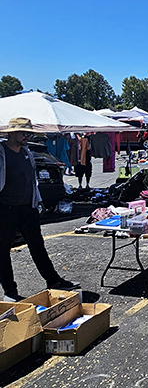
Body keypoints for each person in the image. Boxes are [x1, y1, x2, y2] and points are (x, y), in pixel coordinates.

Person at [0, 118, 80, 302]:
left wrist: (39, 200)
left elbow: (32, 180)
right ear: (11, 133)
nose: (27, 136)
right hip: (6, 208)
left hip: (28, 207)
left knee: (38, 246)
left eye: (29, 133)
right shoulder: (2, 152)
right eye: (23, 133)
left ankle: (53, 280)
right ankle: (10, 290)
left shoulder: (26, 152)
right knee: (3, 250)